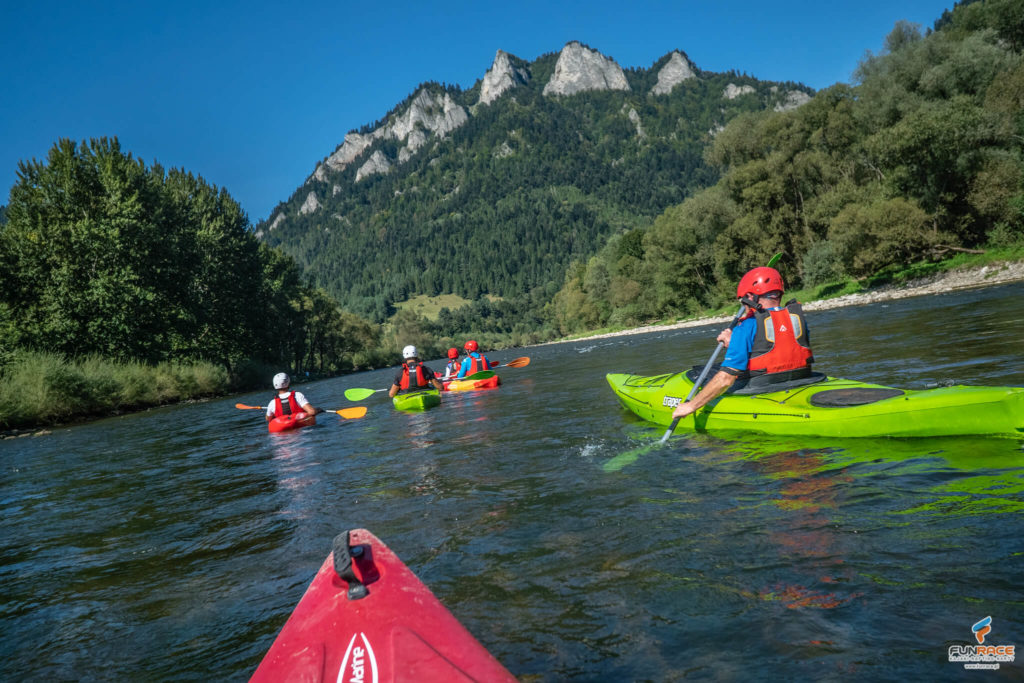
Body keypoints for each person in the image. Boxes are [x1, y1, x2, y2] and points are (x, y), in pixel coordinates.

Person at [671, 266, 813, 422]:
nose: (744, 306)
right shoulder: (797, 319)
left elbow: (726, 378)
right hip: (800, 378)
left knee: (702, 372)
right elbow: (776, 346)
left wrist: (691, 406)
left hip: (762, 385)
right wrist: (735, 343)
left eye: (743, 301)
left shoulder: (746, 326)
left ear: (751, 297)